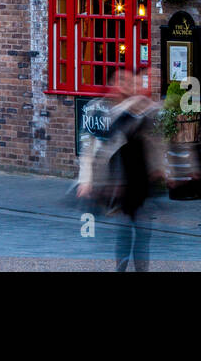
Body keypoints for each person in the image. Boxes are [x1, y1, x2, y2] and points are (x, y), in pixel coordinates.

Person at [77, 69, 163, 271]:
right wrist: (86, 180)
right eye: (121, 80)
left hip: (141, 181)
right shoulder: (99, 110)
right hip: (119, 182)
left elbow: (155, 140)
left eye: (130, 81)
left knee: (143, 235)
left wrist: (159, 167)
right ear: (112, 83)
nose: (126, 85)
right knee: (124, 234)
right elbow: (88, 149)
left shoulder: (142, 109)